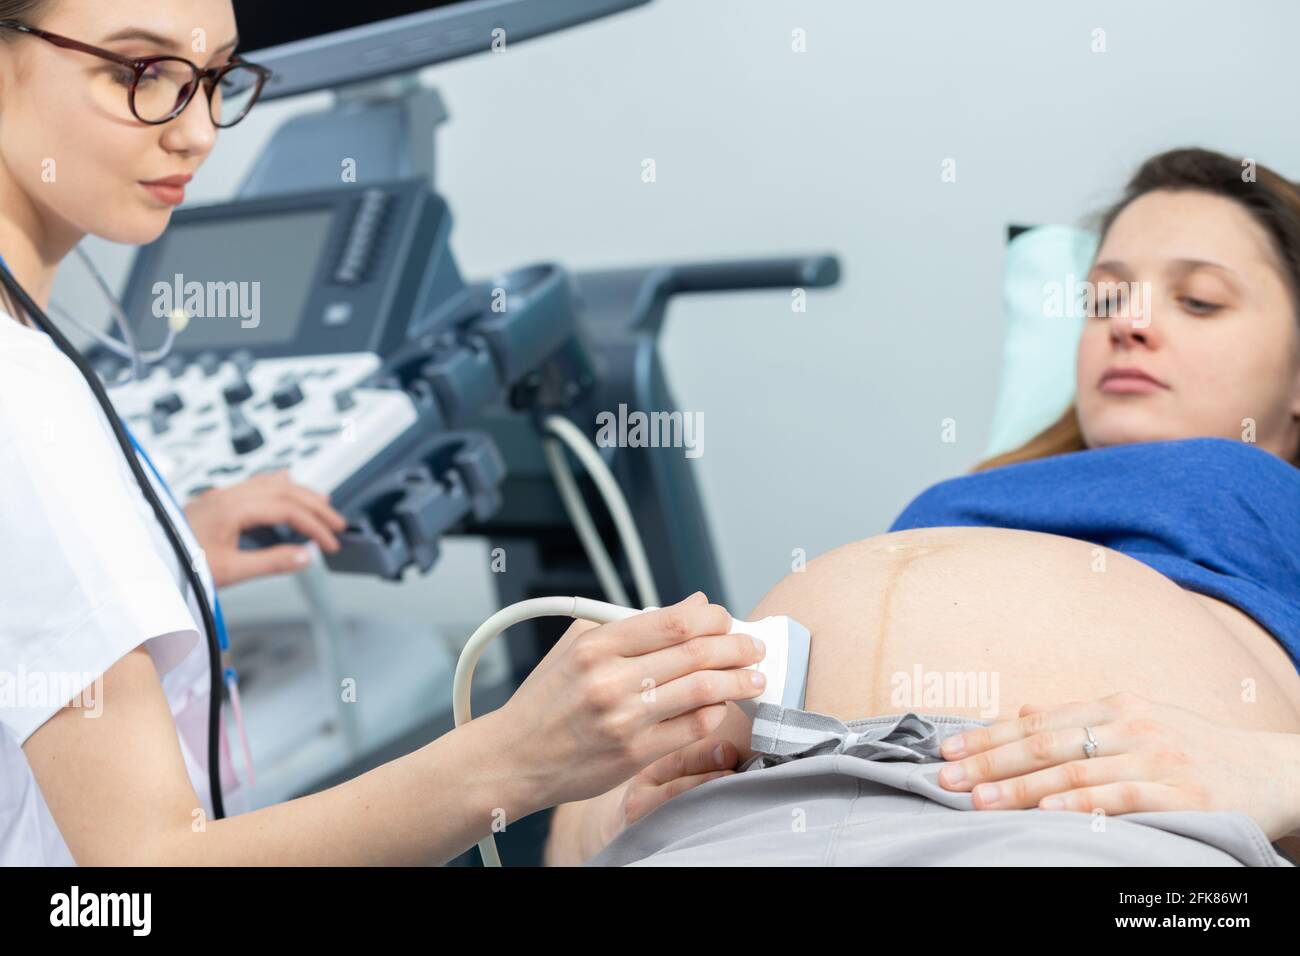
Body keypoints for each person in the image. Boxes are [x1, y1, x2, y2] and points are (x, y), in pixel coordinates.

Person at [0, 0, 767, 866]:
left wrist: (164, 553)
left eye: (216, 80)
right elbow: (145, 872)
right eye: (142, 74)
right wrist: (518, 757)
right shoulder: (26, 411)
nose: (198, 132)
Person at [544, 147, 1300, 866]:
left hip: (1071, 824)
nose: (1126, 323)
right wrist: (607, 816)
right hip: (746, 816)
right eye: (1103, 296)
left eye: (1199, 301)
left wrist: (1277, 771)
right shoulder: (972, 495)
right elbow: (569, 812)